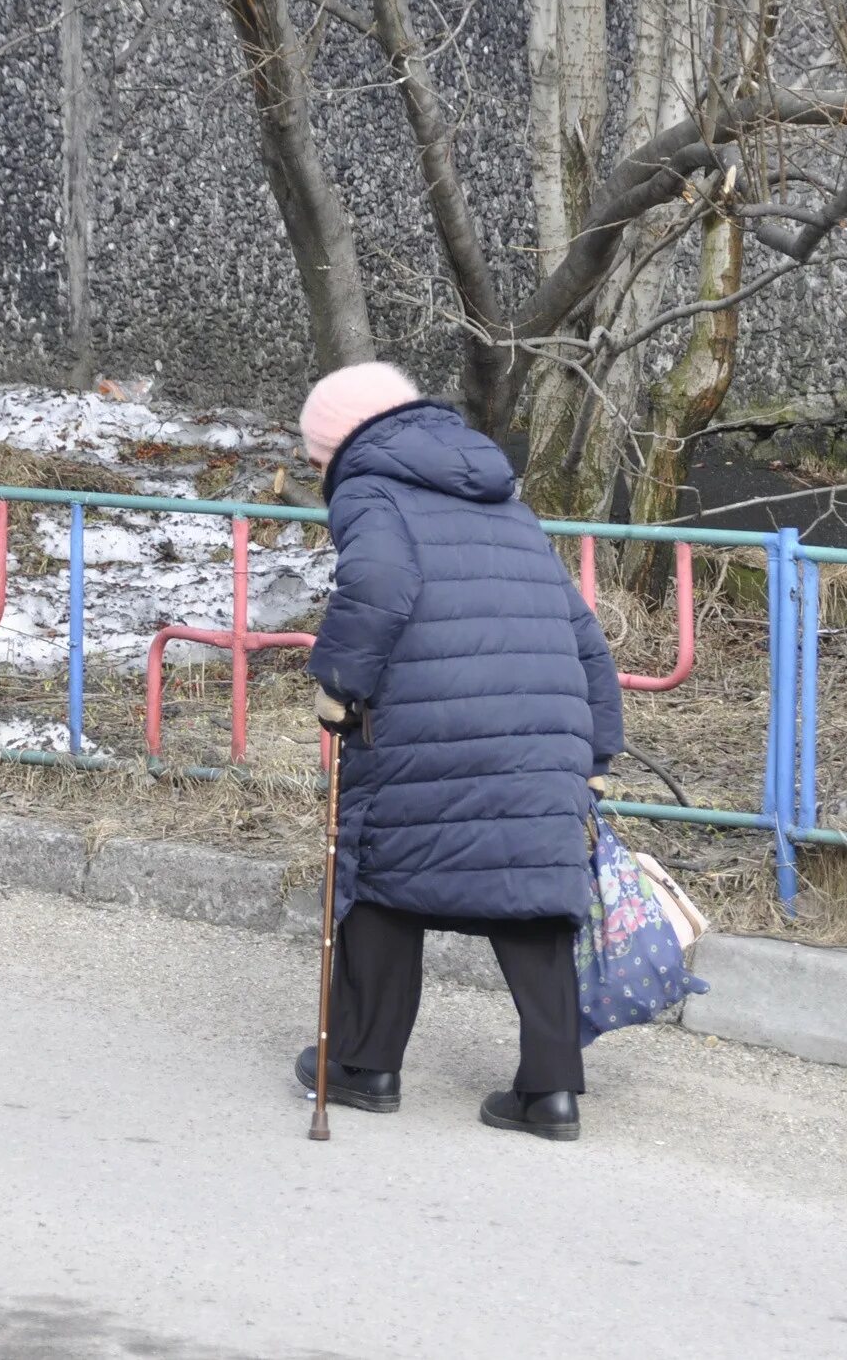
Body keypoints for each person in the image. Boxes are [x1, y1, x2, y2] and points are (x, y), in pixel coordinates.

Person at [292, 362, 623, 1141]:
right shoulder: (503, 496)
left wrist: (337, 683)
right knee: (533, 893)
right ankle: (551, 1095)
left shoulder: (368, 488)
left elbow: (377, 581)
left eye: (315, 461)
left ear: (340, 441)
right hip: (543, 732)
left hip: (427, 725)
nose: (317, 476)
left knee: (381, 876)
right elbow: (579, 627)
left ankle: (365, 1066)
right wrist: (598, 749)